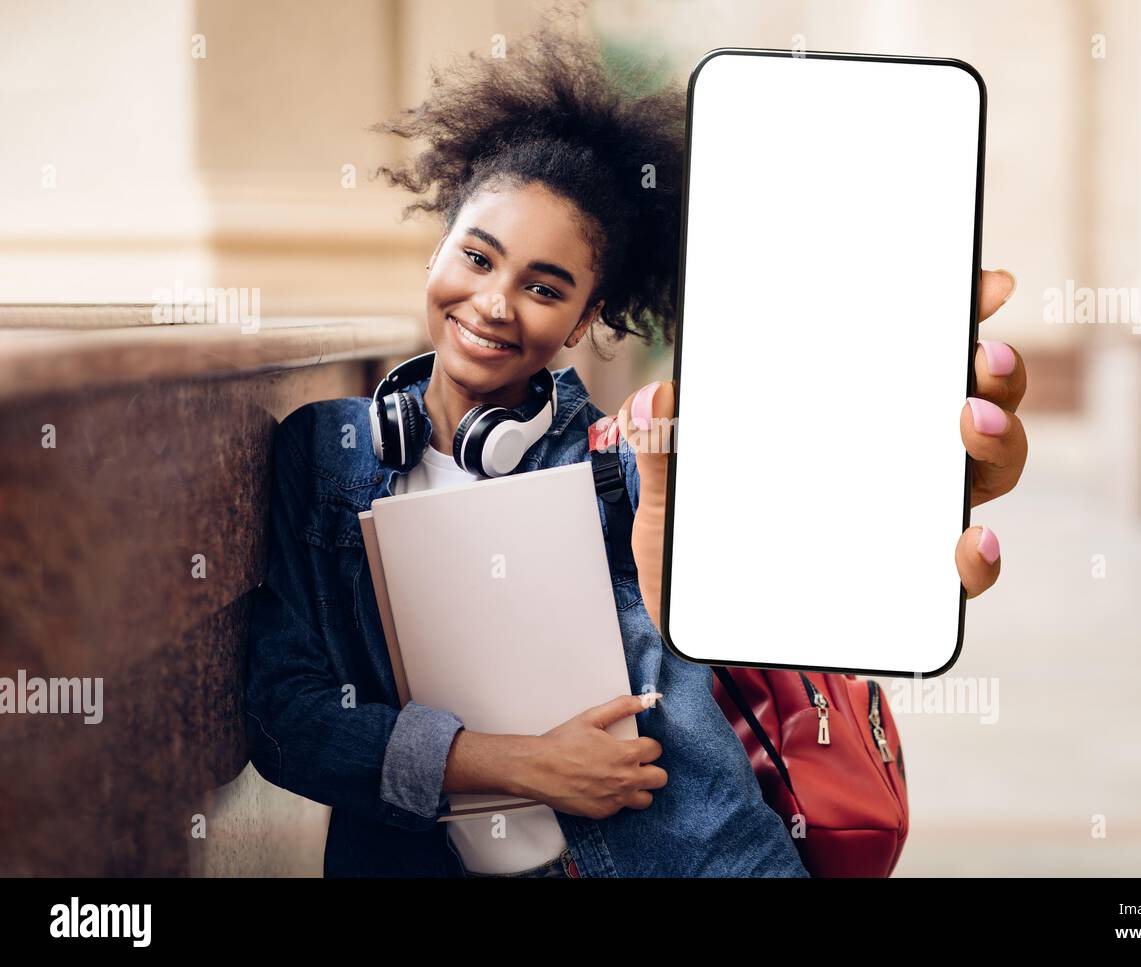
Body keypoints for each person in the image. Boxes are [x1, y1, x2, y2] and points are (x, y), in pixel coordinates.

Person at [243, 12, 1027, 878]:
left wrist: (889, 478)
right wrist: (520, 761)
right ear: (438, 248)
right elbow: (289, 717)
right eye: (476, 256)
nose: (496, 302)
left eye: (544, 286)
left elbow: (800, 537)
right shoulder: (324, 457)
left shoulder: (634, 462)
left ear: (583, 320)